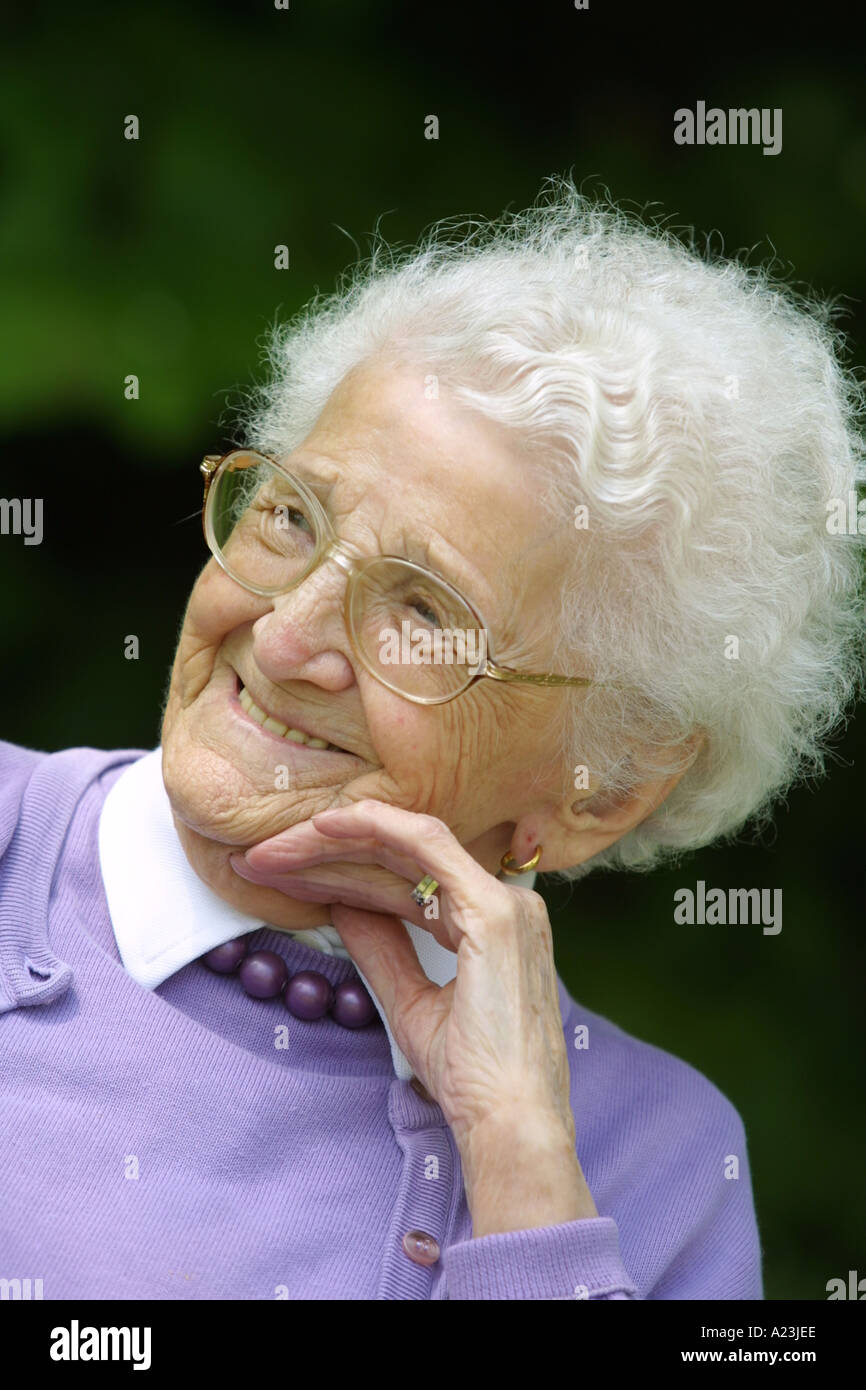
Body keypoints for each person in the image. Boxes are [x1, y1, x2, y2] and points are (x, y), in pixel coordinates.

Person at [2, 178, 862, 1299]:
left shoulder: (655, 1168)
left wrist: (517, 1170)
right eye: (292, 515)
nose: (285, 629)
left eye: (419, 610)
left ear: (605, 784)